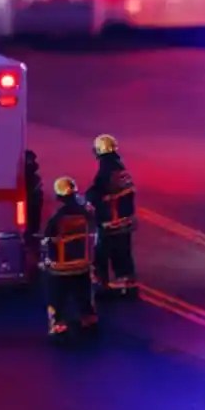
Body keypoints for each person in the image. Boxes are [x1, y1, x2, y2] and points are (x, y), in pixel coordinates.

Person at [41, 177, 98, 339]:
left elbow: (48, 236)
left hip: (61, 266)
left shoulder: (58, 217)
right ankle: (88, 317)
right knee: (84, 291)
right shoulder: (86, 213)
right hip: (83, 263)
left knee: (56, 293)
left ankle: (58, 322)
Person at [85, 134, 137, 298]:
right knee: (123, 254)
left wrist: (87, 197)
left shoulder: (106, 169)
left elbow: (98, 193)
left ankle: (102, 286)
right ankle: (128, 286)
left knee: (101, 254)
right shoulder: (120, 168)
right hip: (124, 221)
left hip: (110, 222)